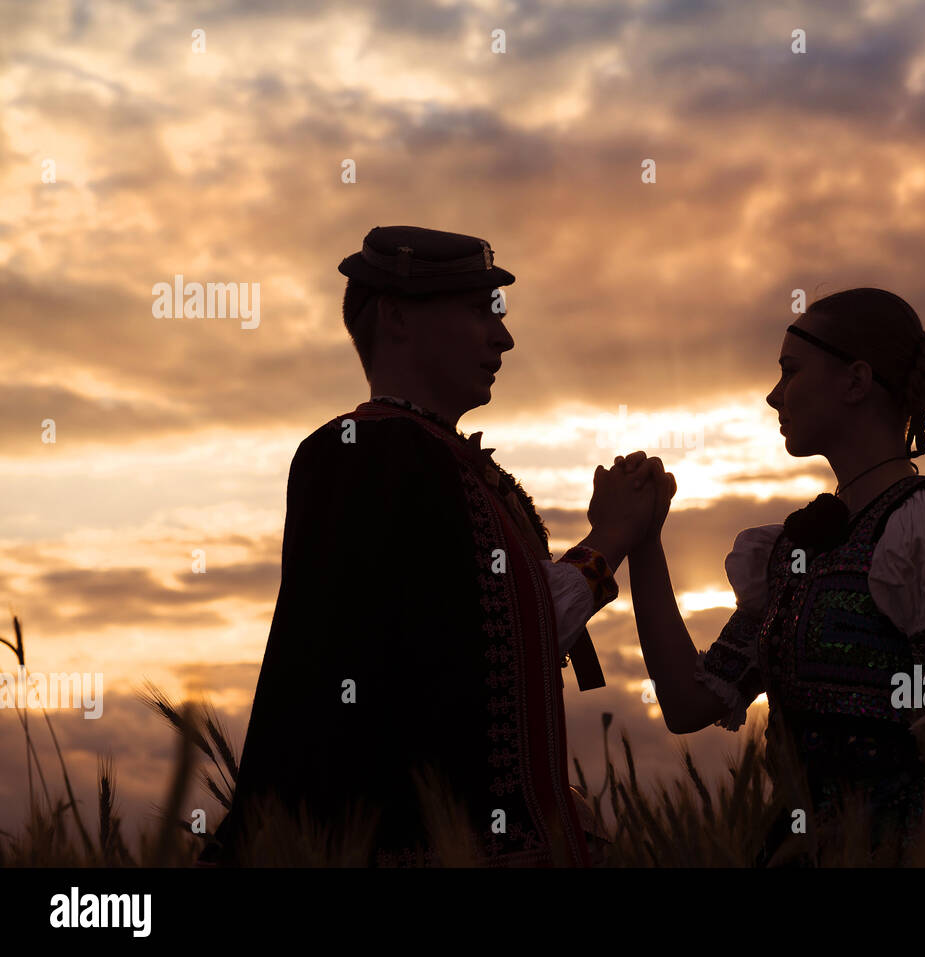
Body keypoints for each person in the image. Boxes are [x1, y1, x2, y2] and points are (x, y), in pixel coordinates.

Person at [207, 226, 657, 866]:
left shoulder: (437, 457)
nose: (503, 337)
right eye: (480, 312)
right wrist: (609, 540)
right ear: (395, 316)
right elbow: (476, 640)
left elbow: (478, 634)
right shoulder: (367, 453)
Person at [623, 288, 925, 865]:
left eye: (790, 372)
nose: (773, 395)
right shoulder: (800, 545)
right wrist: (643, 539)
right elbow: (690, 704)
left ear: (856, 382)